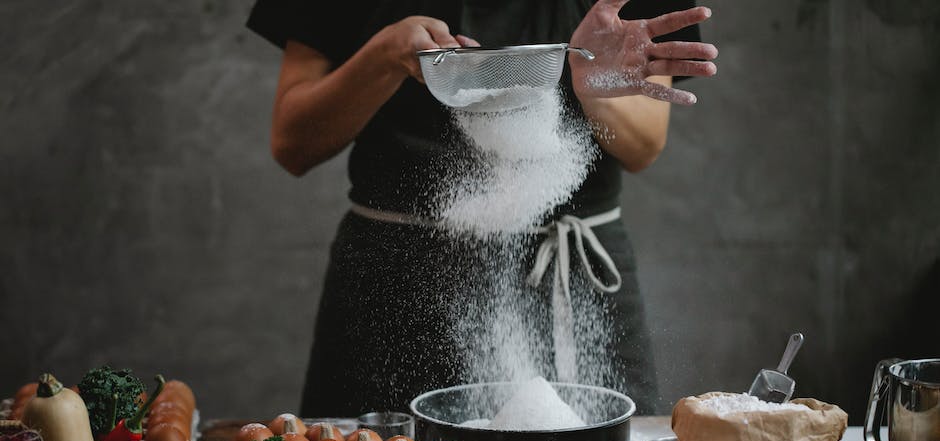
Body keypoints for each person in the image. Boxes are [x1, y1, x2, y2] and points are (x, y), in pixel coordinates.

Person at [246, 0, 718, 417]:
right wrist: (384, 56)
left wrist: (594, 86)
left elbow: (644, 146)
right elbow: (292, 142)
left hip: (571, 281)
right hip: (394, 284)